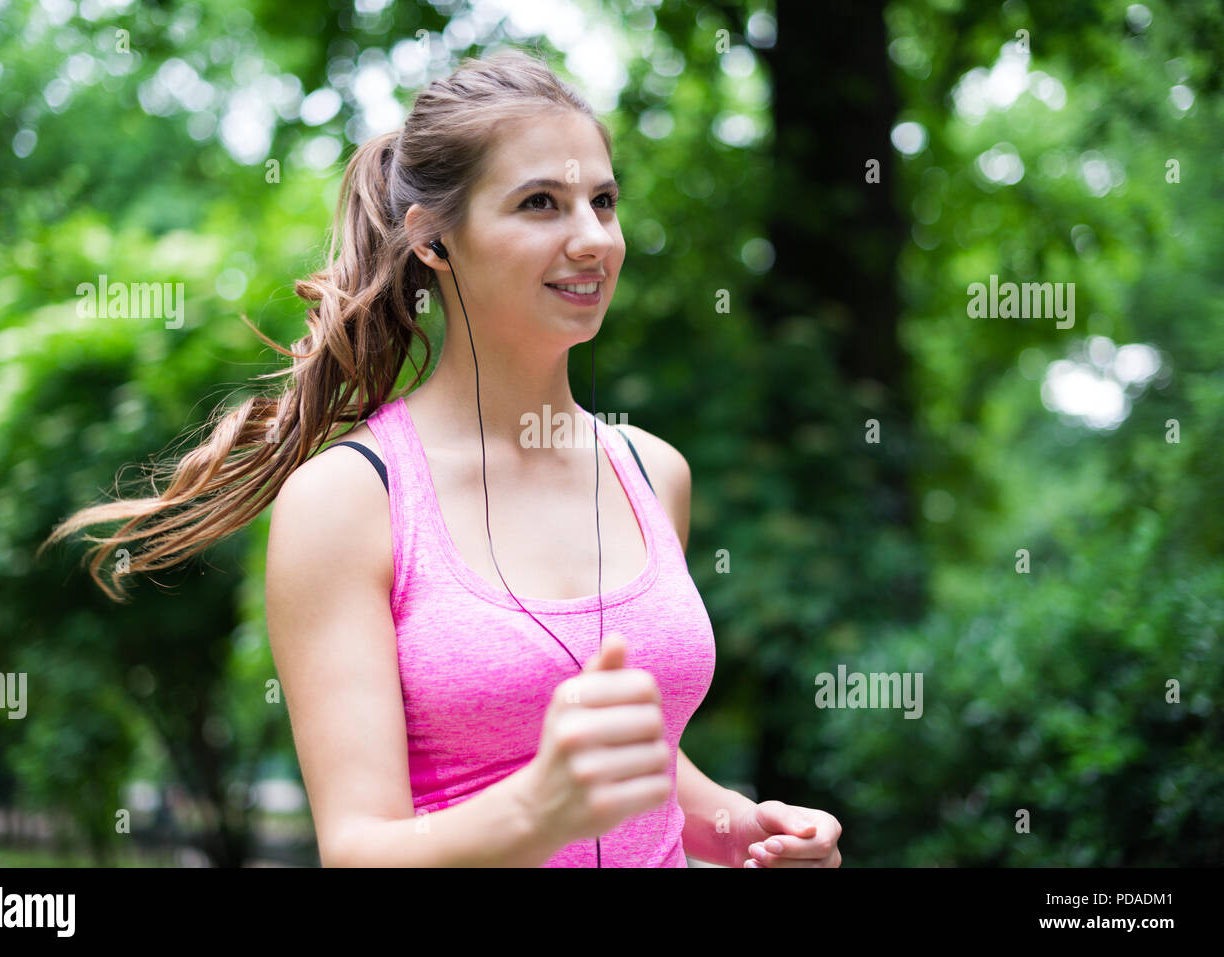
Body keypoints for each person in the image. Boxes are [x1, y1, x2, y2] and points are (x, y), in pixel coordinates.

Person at [42, 47, 841, 868]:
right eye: (541, 203)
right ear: (433, 240)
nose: (593, 238)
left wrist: (743, 826)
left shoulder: (651, 472)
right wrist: (537, 809)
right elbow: (358, 849)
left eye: (603, 201)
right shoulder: (352, 499)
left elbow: (646, 766)